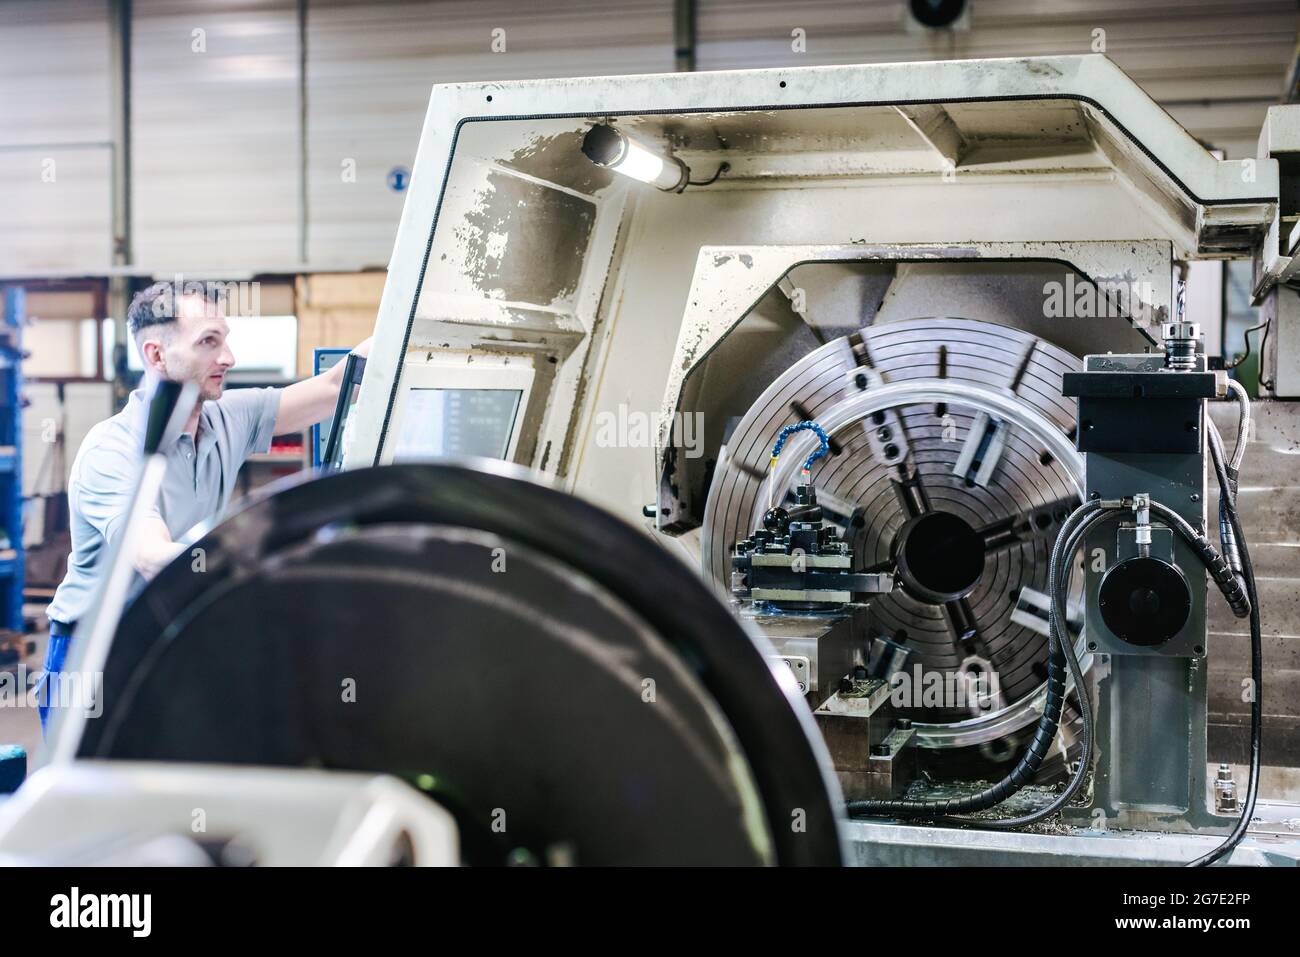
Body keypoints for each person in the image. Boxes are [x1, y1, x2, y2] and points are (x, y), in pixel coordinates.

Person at [38, 281, 371, 732]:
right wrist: (269, 564)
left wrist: (407, 324)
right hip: (93, 653)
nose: (229, 358)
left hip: (168, 633)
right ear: (156, 356)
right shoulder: (112, 450)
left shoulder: (229, 417)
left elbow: (338, 385)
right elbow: (153, 557)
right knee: (100, 795)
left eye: (226, 339)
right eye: (209, 343)